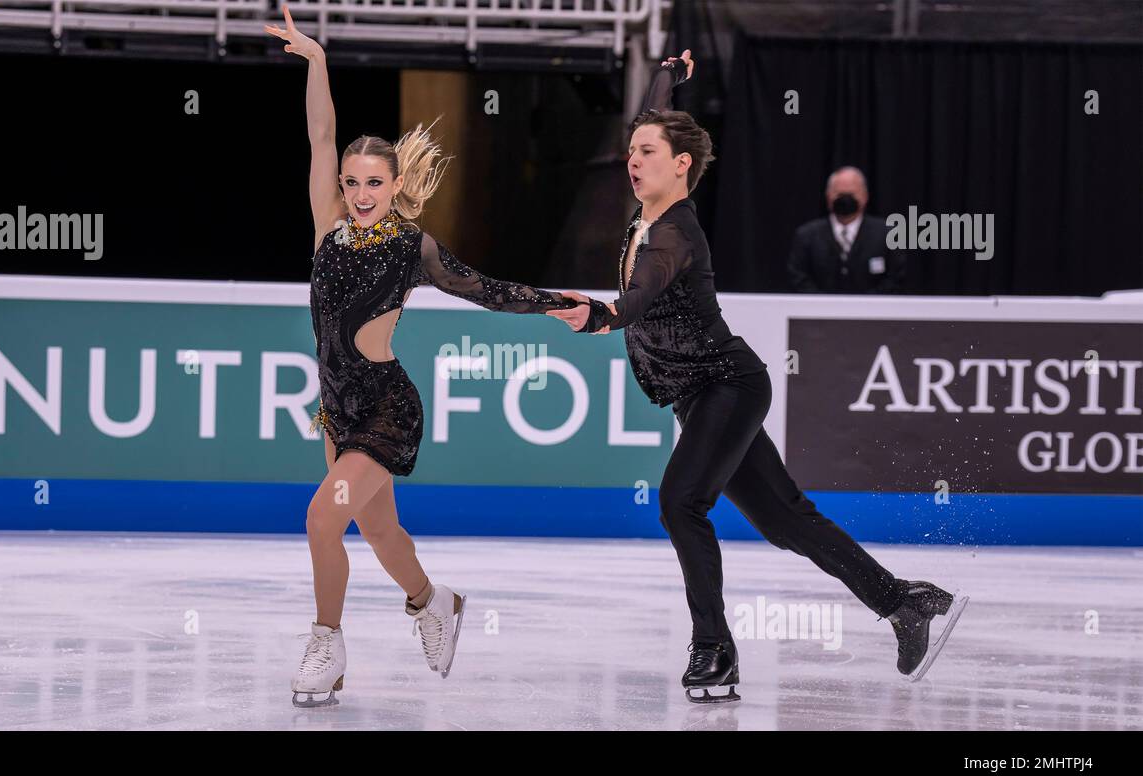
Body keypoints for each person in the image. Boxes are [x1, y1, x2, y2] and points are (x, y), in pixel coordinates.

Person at [549, 52, 966, 702]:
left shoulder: (674, 234)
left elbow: (641, 294)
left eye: (646, 152)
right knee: (786, 522)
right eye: (630, 151)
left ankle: (714, 649)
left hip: (729, 386)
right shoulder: (650, 210)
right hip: (702, 395)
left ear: (680, 164)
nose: (632, 160)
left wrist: (602, 316)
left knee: (680, 502)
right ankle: (902, 602)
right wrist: (668, 72)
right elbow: (653, 113)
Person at [268, 6, 579, 706]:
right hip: (337, 411)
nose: (361, 194)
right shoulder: (327, 231)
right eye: (352, 183)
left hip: (387, 408)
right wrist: (317, 61)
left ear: (394, 184)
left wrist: (553, 302)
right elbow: (321, 135)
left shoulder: (414, 249)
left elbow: (487, 290)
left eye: (374, 183)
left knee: (322, 518)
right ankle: (433, 601)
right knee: (380, 530)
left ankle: (327, 645)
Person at [787, 166, 906, 294]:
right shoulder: (807, 235)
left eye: (851, 194)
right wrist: (823, 303)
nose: (845, 200)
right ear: (828, 196)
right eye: (840, 194)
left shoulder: (887, 234)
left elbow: (896, 277)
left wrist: (866, 302)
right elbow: (798, 277)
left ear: (865, 196)